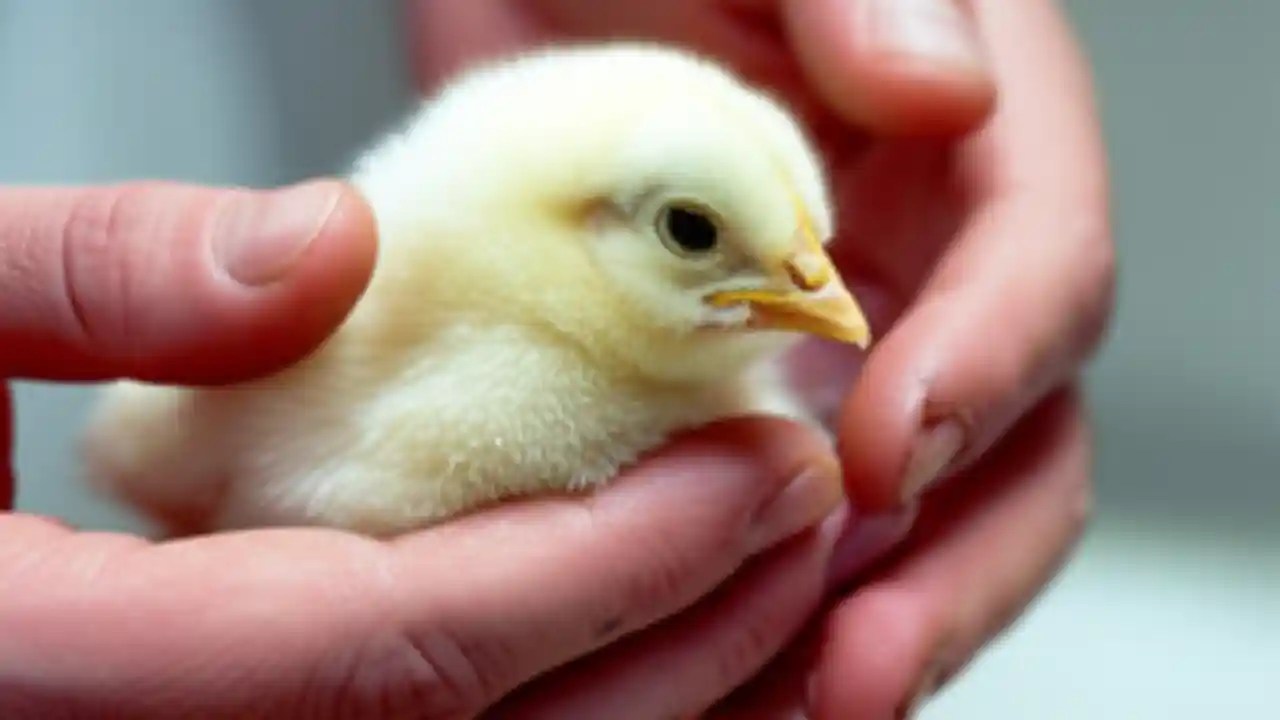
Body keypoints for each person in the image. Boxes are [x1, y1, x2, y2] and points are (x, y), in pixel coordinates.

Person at [0, 0, 1113, 717]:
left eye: (809, 251)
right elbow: (154, 453)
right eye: (689, 233)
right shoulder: (366, 344)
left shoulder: (688, 377)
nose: (818, 294)